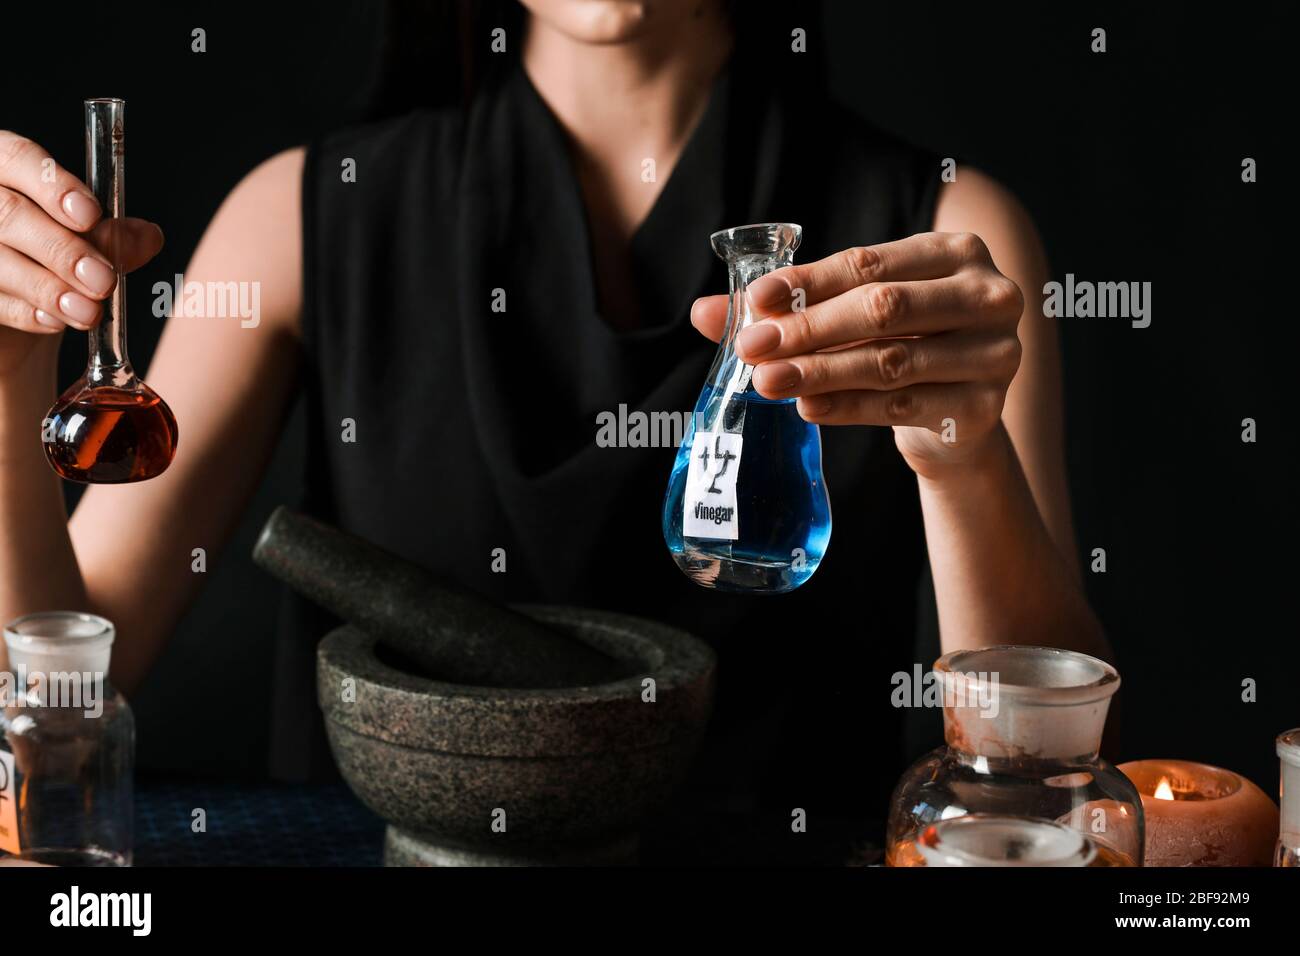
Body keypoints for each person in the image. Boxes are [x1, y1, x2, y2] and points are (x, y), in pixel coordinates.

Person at [0, 0, 1105, 834]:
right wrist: (7, 378)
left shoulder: (947, 241)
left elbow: (1043, 799)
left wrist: (962, 463)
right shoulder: (299, 216)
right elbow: (47, 698)